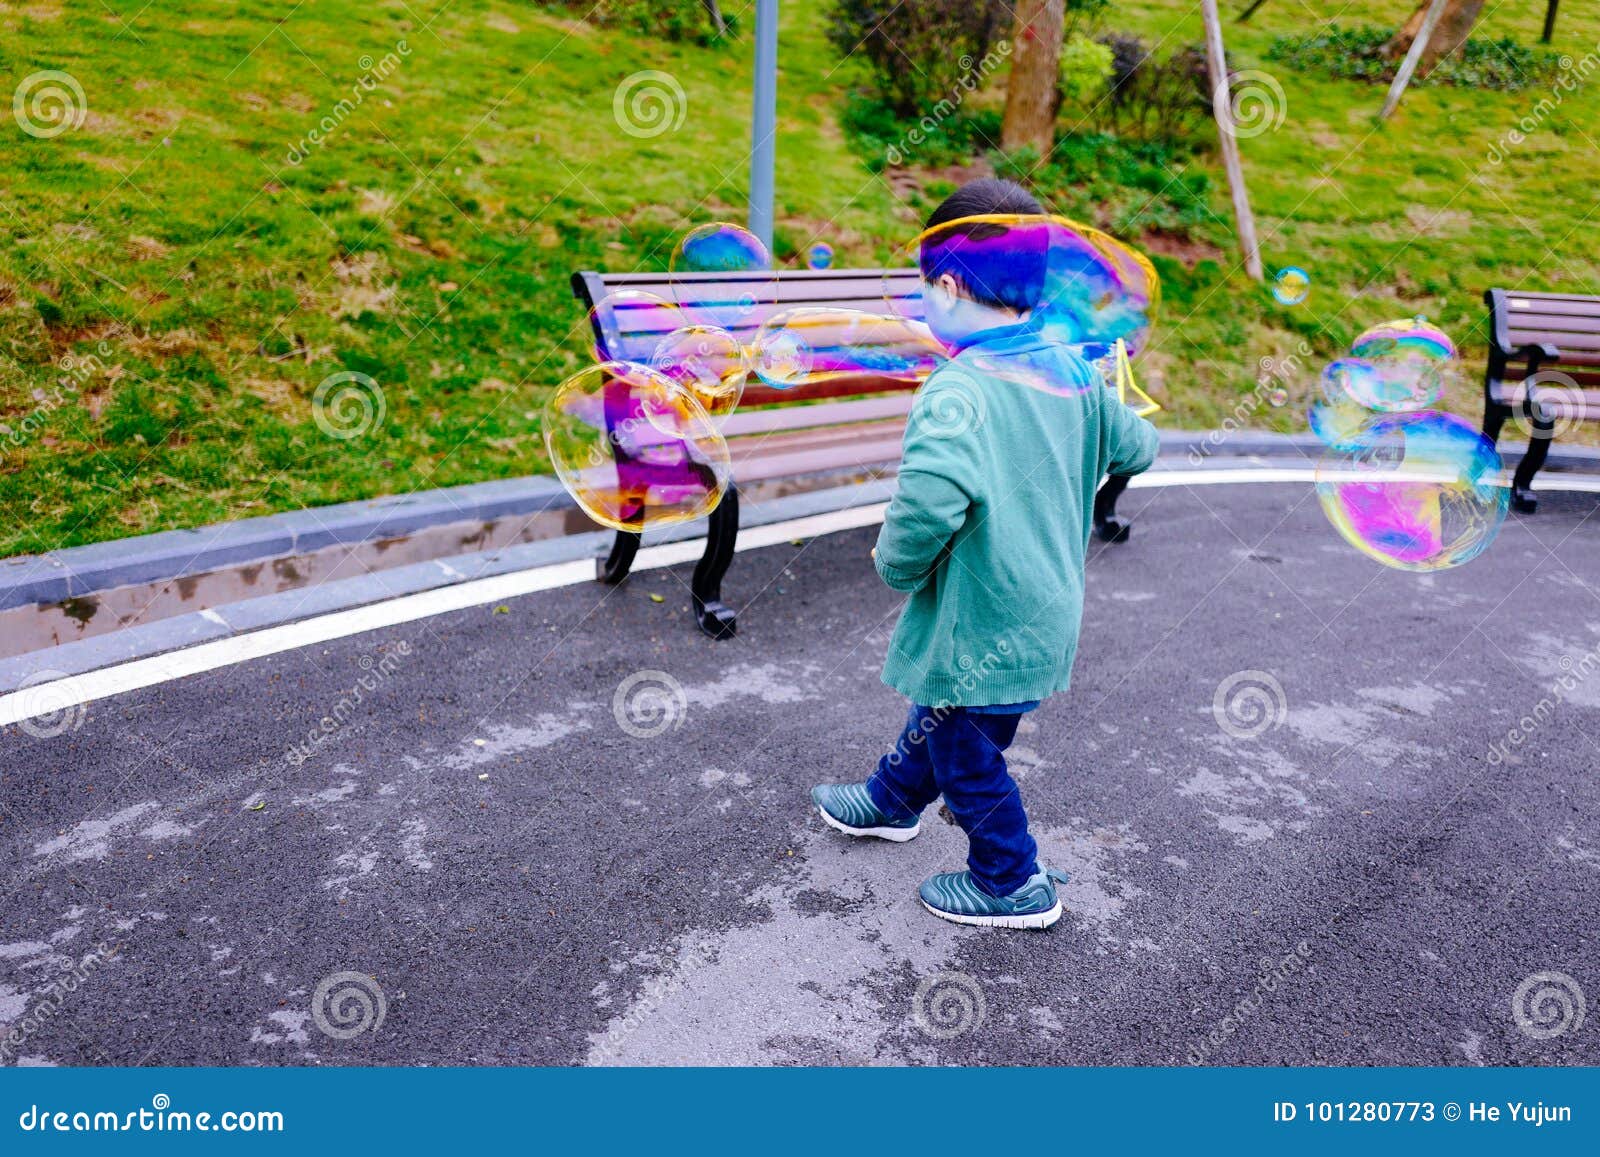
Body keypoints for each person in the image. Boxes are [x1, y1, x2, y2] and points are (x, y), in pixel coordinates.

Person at [810, 179, 1160, 929]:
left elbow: (929, 502)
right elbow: (1140, 447)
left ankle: (1011, 879)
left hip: (984, 612)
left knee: (969, 758)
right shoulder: (1071, 371)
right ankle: (892, 799)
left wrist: (895, 565)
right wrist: (1107, 391)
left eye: (924, 289)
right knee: (945, 711)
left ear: (947, 284)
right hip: (1043, 609)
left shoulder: (958, 388)